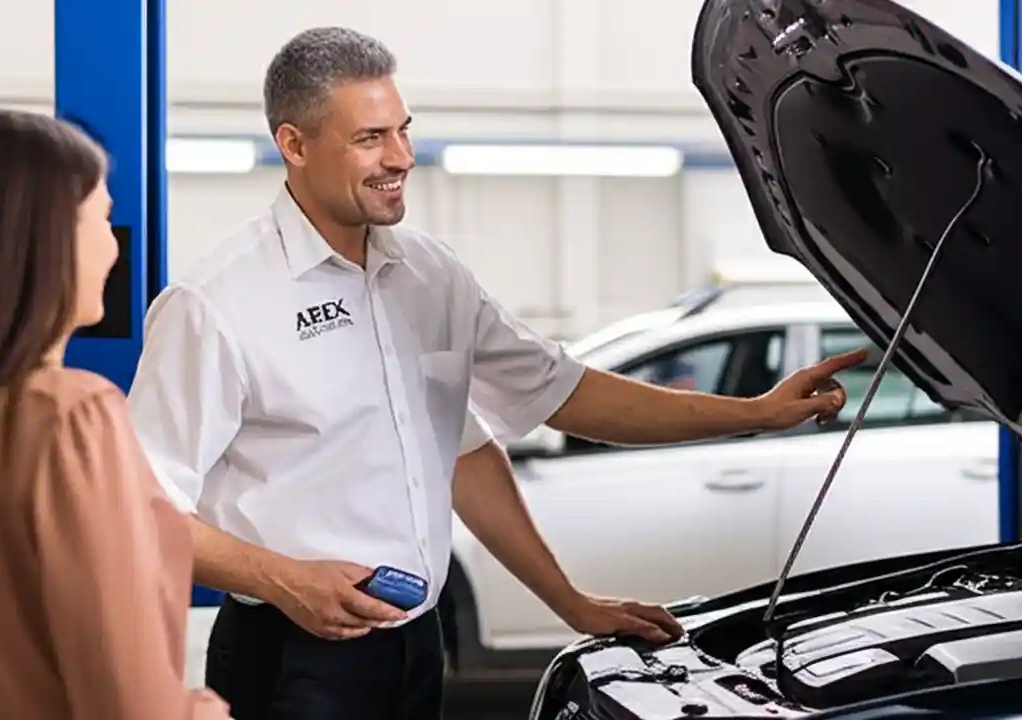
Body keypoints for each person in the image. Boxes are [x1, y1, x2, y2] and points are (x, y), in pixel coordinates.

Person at [127, 26, 864, 720]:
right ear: (293, 144)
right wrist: (280, 580)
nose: (401, 156)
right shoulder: (218, 303)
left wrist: (755, 414)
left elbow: (544, 407)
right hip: (288, 658)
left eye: (403, 129)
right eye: (369, 138)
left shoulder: (428, 275)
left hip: (417, 648)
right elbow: (135, 508)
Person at [0, 109, 229, 720]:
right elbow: (132, 706)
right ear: (47, 237)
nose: (113, 245)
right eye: (101, 216)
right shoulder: (72, 417)